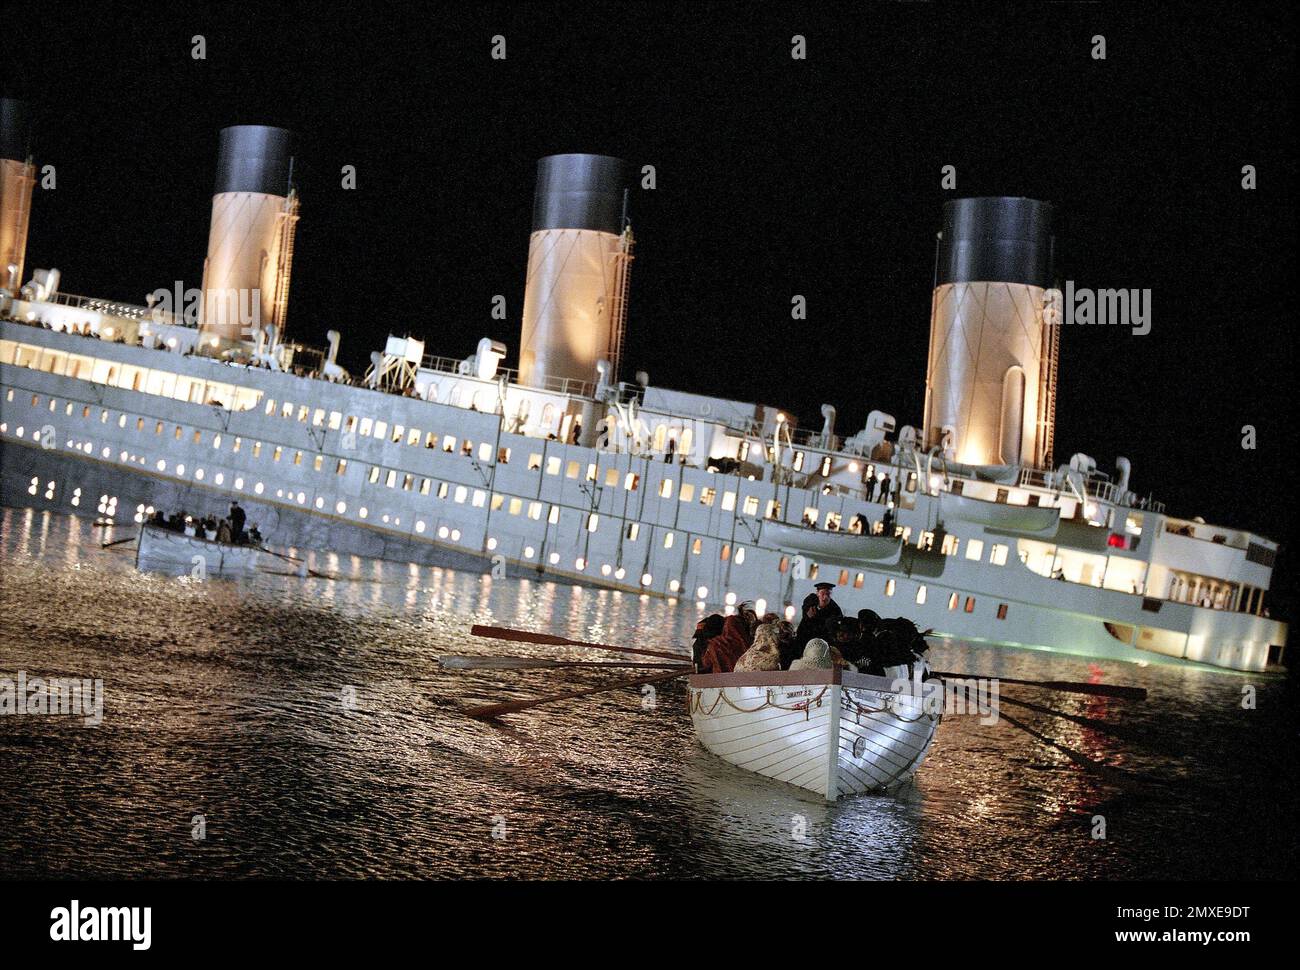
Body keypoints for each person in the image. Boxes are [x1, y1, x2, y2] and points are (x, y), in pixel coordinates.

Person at [795, 582, 843, 653]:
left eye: (828, 594)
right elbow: (806, 610)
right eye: (823, 594)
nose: (825, 597)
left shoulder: (835, 610)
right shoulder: (810, 601)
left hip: (820, 644)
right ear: (817, 593)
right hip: (803, 638)